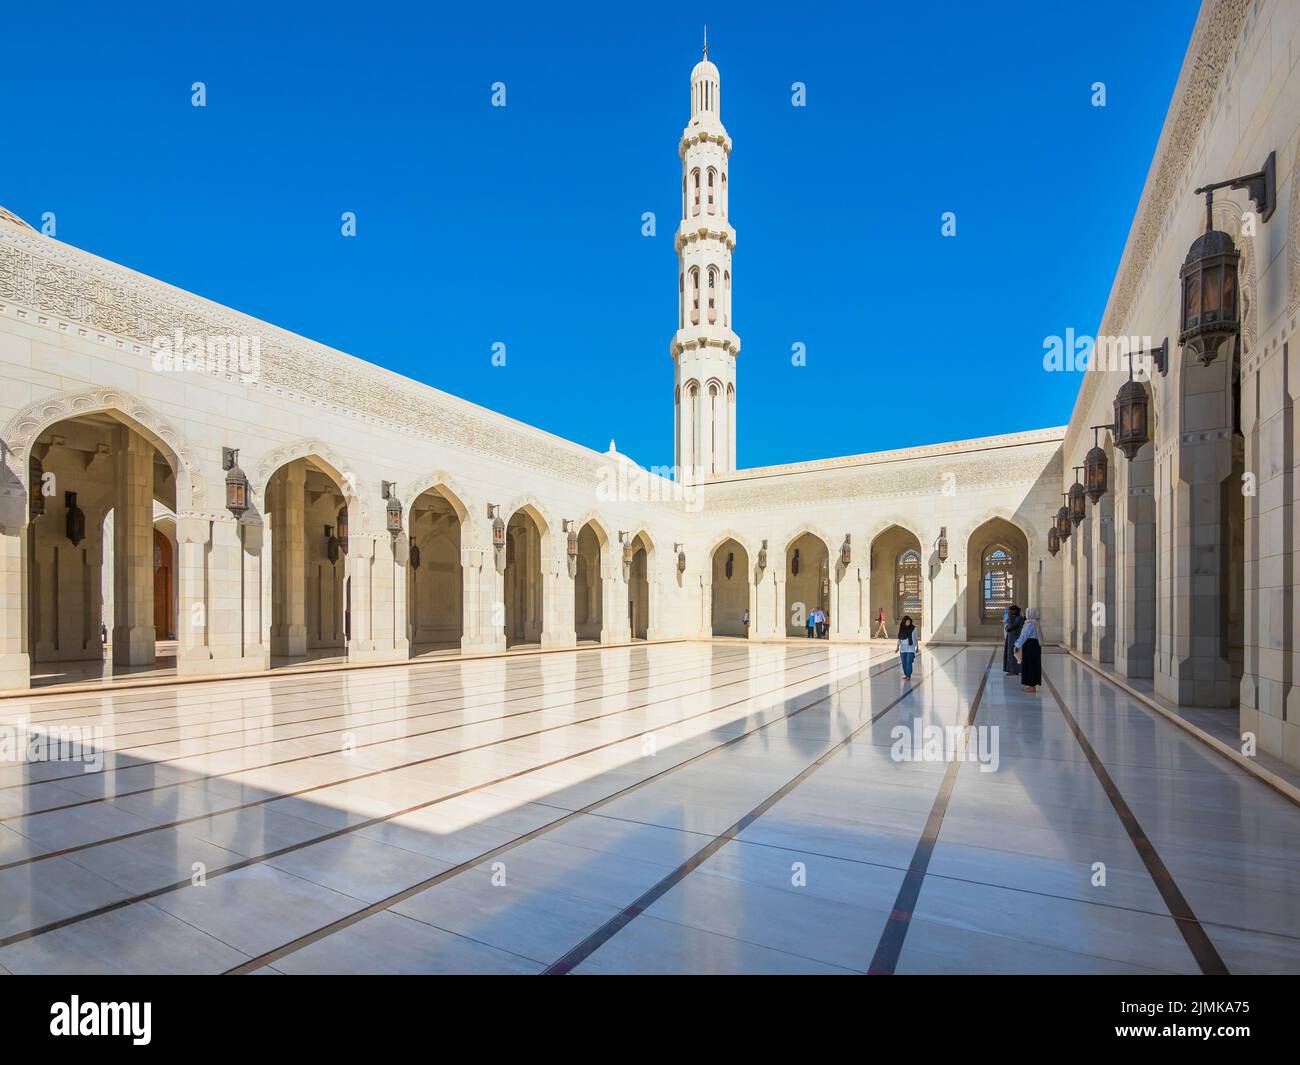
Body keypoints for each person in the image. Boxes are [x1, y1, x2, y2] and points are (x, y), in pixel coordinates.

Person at [1014, 606, 1042, 693]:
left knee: (1030, 665)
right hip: (1034, 646)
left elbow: (1024, 636)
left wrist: (1017, 645)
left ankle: (1031, 686)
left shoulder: (1030, 624)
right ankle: (1031, 685)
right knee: (1033, 665)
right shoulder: (1036, 623)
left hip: (1030, 647)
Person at [896, 614, 919, 681]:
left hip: (911, 648)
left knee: (908, 661)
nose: (908, 623)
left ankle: (909, 675)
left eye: (909, 622)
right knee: (904, 662)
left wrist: (917, 646)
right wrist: (897, 647)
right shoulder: (901, 629)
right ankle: (906, 674)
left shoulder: (913, 628)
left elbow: (915, 638)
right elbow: (899, 638)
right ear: (904, 622)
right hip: (903, 648)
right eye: (907, 622)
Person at [1003, 604, 1023, 675]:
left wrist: (1010, 618)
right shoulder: (1015, 617)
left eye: (1011, 611)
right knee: (1009, 654)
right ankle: (1011, 669)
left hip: (1015, 638)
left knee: (1013, 654)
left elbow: (1010, 627)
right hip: (1010, 638)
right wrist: (1010, 618)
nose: (1010, 612)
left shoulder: (1019, 618)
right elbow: (1007, 627)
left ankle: (1014, 670)